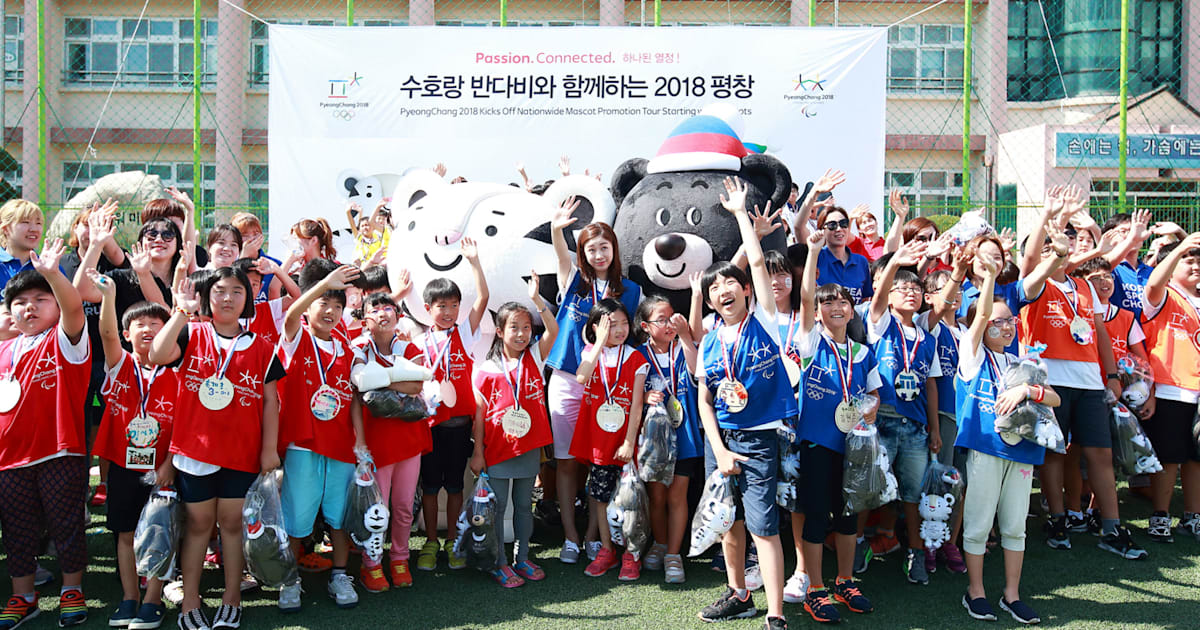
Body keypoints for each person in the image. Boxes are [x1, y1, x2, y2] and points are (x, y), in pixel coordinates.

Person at [148, 266, 284, 630]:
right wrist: (180, 312)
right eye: (220, 290)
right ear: (208, 296)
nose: (227, 298)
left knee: (231, 525)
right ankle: (190, 600)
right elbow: (157, 355)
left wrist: (269, 450)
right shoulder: (192, 333)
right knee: (198, 525)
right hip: (195, 452)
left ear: (248, 299)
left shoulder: (263, 347)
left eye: (237, 291)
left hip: (242, 452)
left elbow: (272, 402)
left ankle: (231, 597)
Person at [1017, 193, 1145, 560]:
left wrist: (1112, 374)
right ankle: (1057, 518)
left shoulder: (1085, 285)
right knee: (1055, 453)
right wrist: (1047, 221)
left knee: (1100, 454)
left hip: (1090, 382)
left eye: (1066, 244)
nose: (1060, 250)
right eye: (1049, 248)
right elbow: (1029, 260)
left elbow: (1100, 333)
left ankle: (1111, 526)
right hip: (1050, 381)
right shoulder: (1035, 283)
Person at [695, 178, 796, 629]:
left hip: (759, 441)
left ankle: (774, 613)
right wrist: (717, 449)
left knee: (763, 528)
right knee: (727, 525)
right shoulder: (709, 342)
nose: (723, 291)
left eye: (730, 284)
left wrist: (740, 216)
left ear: (747, 292)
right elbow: (704, 399)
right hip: (723, 444)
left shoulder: (767, 322)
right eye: (715, 289)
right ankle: (739, 594)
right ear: (711, 300)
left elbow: (756, 261)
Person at [956, 254, 1055, 625]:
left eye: (1010, 320)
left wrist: (1029, 390)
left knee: (1016, 525)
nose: (1006, 327)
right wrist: (991, 279)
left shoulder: (1022, 362)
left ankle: (1011, 594)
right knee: (979, 524)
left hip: (1023, 449)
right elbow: (979, 317)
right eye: (998, 322)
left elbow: (1054, 397)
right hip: (986, 448)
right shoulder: (973, 355)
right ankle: (976, 591)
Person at [0, 240, 92, 629]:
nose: (30, 307)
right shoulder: (4, 351)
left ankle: (72, 590)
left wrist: (54, 274)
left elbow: (74, 308)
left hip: (59, 452)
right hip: (9, 458)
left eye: (41, 299)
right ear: (9, 312)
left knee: (66, 525)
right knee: (17, 530)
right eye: (21, 302)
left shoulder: (65, 341)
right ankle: (23, 596)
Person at [792, 228, 881, 624]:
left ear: (851, 308)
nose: (835, 307)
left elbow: (876, 394)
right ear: (818, 313)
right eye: (828, 303)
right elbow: (807, 295)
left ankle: (845, 580)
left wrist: (872, 407)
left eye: (842, 301)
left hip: (855, 448)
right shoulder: (811, 342)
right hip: (817, 443)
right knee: (816, 515)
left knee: (848, 516)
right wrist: (813, 252)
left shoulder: (862, 352)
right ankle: (814, 587)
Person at [546, 198, 641, 564]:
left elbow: (630, 338)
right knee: (568, 459)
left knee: (599, 460)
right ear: (582, 253)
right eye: (591, 248)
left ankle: (592, 536)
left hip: (609, 385)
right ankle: (570, 537)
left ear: (614, 250)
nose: (599, 254)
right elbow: (560, 256)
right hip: (569, 377)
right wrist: (557, 230)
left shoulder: (631, 290)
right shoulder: (575, 280)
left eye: (604, 247)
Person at [275, 261, 364, 612]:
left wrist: (360, 442)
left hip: (340, 446)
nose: (330, 312)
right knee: (297, 519)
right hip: (303, 443)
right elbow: (290, 317)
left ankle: (340, 575)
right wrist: (322, 284)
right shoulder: (297, 339)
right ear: (309, 305)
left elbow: (354, 398)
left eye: (337, 306)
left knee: (339, 518)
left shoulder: (346, 348)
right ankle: (289, 578)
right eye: (323, 304)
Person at [90, 278, 177, 630]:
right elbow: (107, 335)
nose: (148, 329)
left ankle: (153, 599)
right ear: (127, 334)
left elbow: (186, 424)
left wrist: (171, 464)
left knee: (161, 532)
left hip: (165, 468)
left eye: (157, 325)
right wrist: (109, 297)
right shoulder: (119, 365)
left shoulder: (178, 370)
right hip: (125, 467)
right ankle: (129, 597)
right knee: (125, 533)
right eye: (139, 324)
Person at [468, 277, 558, 587]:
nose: (521, 334)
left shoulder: (535, 356)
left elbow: (554, 330)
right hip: (497, 448)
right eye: (514, 328)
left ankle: (522, 558)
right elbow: (479, 415)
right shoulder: (486, 370)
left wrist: (537, 301)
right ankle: (499, 561)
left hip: (529, 446)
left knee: (524, 505)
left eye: (526, 328)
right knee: (499, 508)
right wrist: (478, 452)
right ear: (500, 331)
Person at [865, 241, 942, 584]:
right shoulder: (879, 323)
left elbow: (930, 385)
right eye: (901, 287)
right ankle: (857, 548)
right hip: (881, 421)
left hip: (915, 426)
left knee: (912, 495)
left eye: (915, 287)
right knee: (868, 489)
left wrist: (935, 428)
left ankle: (916, 553)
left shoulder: (927, 336)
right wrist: (896, 261)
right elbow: (880, 296)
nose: (909, 292)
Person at [414, 237, 488, 572]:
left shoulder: (467, 334)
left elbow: (483, 298)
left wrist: (474, 261)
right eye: (441, 306)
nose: (448, 312)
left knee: (456, 486)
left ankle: (455, 540)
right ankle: (430, 541)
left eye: (453, 305)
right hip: (428, 427)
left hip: (459, 426)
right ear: (427, 309)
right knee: (430, 487)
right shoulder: (416, 342)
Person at [350, 292, 429, 593]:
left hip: (408, 439)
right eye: (375, 309)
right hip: (375, 442)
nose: (383, 313)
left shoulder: (410, 346)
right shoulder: (357, 347)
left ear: (398, 315)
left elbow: (417, 384)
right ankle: (371, 565)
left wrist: (378, 378)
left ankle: (399, 558)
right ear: (365, 317)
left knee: (404, 506)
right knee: (376, 510)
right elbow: (358, 387)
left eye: (389, 308)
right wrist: (359, 442)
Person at [570, 298, 649, 580]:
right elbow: (581, 377)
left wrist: (629, 442)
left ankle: (631, 553)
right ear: (596, 327)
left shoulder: (636, 358)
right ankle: (607, 549)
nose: (619, 330)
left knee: (631, 499)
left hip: (626, 441)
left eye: (623, 323)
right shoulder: (592, 353)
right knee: (601, 497)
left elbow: (637, 404)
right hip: (599, 441)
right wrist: (599, 342)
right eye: (610, 325)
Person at [633, 295, 702, 584]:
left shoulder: (683, 346)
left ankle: (674, 553)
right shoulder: (637, 355)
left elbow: (698, 372)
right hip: (653, 439)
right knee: (657, 496)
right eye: (662, 319)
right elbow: (629, 395)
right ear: (646, 326)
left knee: (677, 496)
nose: (669, 323)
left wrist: (685, 335)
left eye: (672, 316)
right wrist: (645, 397)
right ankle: (660, 543)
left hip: (684, 435)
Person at [1138, 233, 1200, 543]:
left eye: (1199, 261)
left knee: (1196, 457)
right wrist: (1180, 246)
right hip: (1171, 388)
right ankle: (1160, 515)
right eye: (1189, 260)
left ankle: (1193, 516)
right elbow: (1151, 285)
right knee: (1169, 456)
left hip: (1198, 392)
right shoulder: (1164, 296)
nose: (1195, 265)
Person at [918, 265, 969, 575]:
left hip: (970, 417)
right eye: (948, 288)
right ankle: (929, 541)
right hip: (945, 415)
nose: (956, 294)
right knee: (939, 482)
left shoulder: (966, 329)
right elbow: (938, 308)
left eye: (960, 289)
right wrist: (958, 270)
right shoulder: (931, 327)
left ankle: (951, 539)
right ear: (929, 297)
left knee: (963, 483)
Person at [812, 206, 872, 304]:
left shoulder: (861, 262)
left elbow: (865, 299)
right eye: (832, 225)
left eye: (844, 224)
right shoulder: (816, 257)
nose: (839, 229)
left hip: (855, 318)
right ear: (822, 229)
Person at [228, 212, 280, 302]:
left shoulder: (274, 265)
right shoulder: (228, 263)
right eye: (245, 235)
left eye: (256, 233)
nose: (251, 238)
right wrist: (243, 257)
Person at [0, 199, 47, 296]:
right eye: (25, 222)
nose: (34, 229)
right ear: (5, 229)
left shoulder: (48, 267)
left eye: (38, 223)